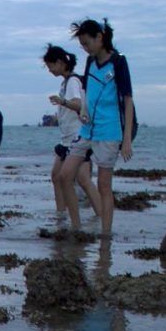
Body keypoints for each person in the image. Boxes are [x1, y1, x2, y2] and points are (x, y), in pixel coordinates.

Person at [66, 18, 136, 236]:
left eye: (87, 43)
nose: (86, 48)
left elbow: (128, 100)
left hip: (110, 130)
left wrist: (126, 140)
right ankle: (76, 226)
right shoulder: (90, 61)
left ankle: (106, 236)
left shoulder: (118, 62)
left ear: (100, 38)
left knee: (104, 184)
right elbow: (87, 90)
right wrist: (83, 111)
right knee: (65, 174)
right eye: (82, 45)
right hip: (87, 128)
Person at [45, 44, 96, 228]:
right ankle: (62, 215)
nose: (50, 70)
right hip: (67, 139)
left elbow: (77, 104)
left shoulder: (73, 81)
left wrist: (62, 101)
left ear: (60, 63)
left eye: (51, 66)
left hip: (77, 138)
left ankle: (97, 217)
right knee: (57, 176)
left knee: (78, 179)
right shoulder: (66, 82)